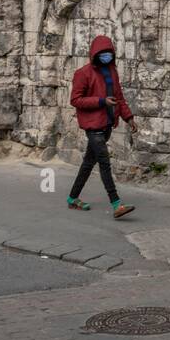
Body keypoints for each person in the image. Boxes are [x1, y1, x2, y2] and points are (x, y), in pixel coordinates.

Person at [66, 36, 136, 218]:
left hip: (107, 124)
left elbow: (119, 98)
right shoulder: (83, 73)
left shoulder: (112, 71)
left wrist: (128, 117)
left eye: (109, 54)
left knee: (88, 163)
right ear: (94, 54)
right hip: (93, 126)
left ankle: (73, 198)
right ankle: (116, 204)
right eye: (102, 54)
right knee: (104, 162)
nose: (106, 57)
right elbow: (75, 100)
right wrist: (101, 101)